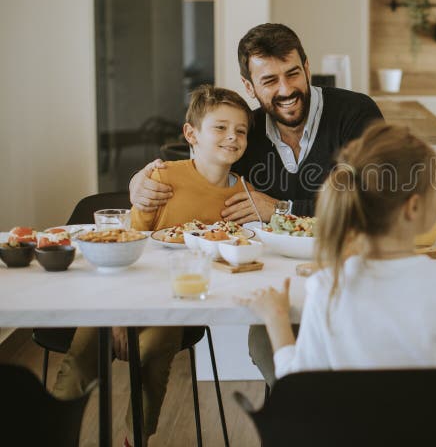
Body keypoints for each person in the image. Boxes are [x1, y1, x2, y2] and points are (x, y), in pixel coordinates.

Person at [128, 23, 383, 382]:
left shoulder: (356, 113)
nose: (286, 89)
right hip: (277, 287)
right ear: (249, 87)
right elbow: (197, 171)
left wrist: (281, 209)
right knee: (267, 348)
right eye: (269, 81)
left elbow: (372, 204)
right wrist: (139, 180)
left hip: (351, 278)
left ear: (307, 68)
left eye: (293, 74)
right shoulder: (245, 134)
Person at [53, 85, 253, 447]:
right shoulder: (162, 180)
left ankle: (136, 438)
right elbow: (125, 248)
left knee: (156, 347)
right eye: (220, 127)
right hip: (122, 290)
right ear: (191, 134)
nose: (232, 137)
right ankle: (53, 431)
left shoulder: (243, 195)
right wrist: (118, 315)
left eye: (240, 130)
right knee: (83, 356)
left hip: (179, 301)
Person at [236, 123, 436, 378]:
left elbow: (297, 386)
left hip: (351, 437)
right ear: (414, 207)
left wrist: (277, 321)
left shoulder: (327, 288)